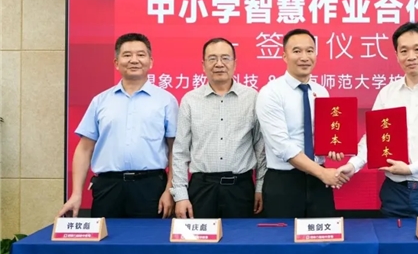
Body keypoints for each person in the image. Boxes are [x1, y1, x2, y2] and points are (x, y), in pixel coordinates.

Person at [332, 22, 418, 218]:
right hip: (395, 193)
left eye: (417, 49)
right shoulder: (388, 93)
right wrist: (353, 165)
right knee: (392, 238)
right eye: (404, 51)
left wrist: (411, 169)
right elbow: (374, 138)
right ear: (397, 55)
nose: (411, 56)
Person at [58, 33, 178, 218]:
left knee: (150, 236)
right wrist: (76, 194)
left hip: (151, 187)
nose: (134, 60)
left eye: (140, 55)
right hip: (108, 187)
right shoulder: (100, 101)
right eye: (127, 55)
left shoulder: (166, 101)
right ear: (116, 62)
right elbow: (84, 149)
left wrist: (170, 189)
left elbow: (175, 150)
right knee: (106, 236)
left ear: (150, 61)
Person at [255, 29, 348, 218]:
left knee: (323, 234)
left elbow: (324, 135)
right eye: (297, 51)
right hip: (284, 182)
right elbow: (282, 146)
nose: (304, 57)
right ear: (285, 56)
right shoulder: (270, 92)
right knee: (284, 236)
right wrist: (322, 173)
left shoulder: (321, 92)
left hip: (318, 182)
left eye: (310, 51)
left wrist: (333, 148)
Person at [170, 38, 266, 218]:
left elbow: (260, 148)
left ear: (235, 63)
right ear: (203, 65)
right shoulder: (190, 100)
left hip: (240, 189)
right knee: (202, 236)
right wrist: (181, 195)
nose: (219, 64)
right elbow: (180, 152)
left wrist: (260, 187)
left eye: (225, 58)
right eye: (212, 58)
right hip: (202, 188)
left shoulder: (252, 97)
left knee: (241, 236)